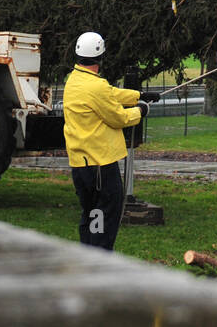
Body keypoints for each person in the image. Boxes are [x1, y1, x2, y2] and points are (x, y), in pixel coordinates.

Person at [63, 31, 152, 251]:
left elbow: (109, 93)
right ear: (100, 58)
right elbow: (119, 118)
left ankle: (88, 255)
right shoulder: (96, 86)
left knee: (92, 213)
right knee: (106, 214)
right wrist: (141, 110)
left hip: (81, 165)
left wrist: (137, 95)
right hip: (100, 165)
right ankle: (100, 258)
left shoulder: (74, 80)